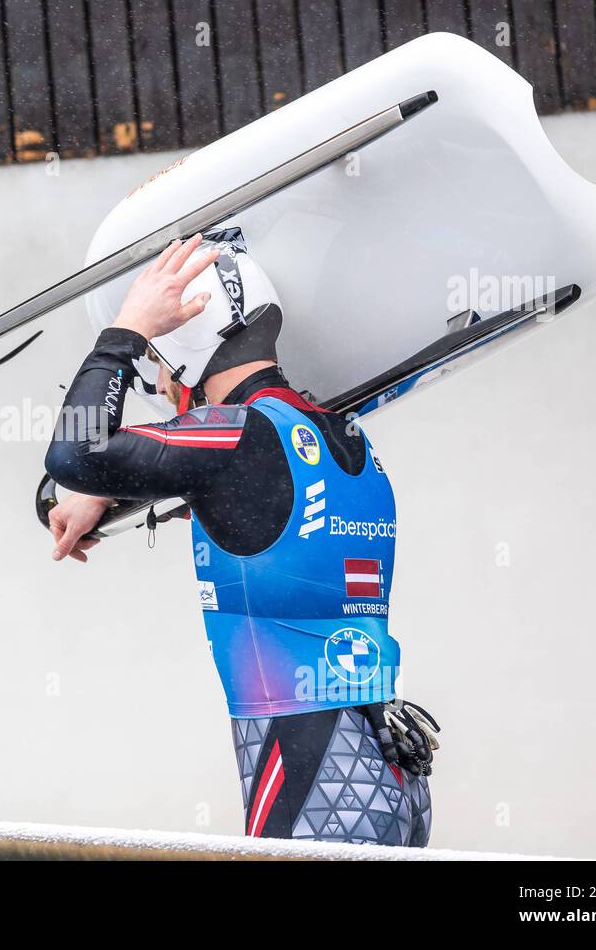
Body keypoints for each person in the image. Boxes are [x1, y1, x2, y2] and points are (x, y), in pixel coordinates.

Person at [43, 231, 438, 846]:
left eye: (159, 372)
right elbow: (238, 497)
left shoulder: (235, 440)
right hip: (385, 769)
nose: (165, 390)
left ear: (186, 354)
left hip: (316, 782)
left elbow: (75, 453)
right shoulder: (341, 436)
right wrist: (113, 488)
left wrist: (124, 335)